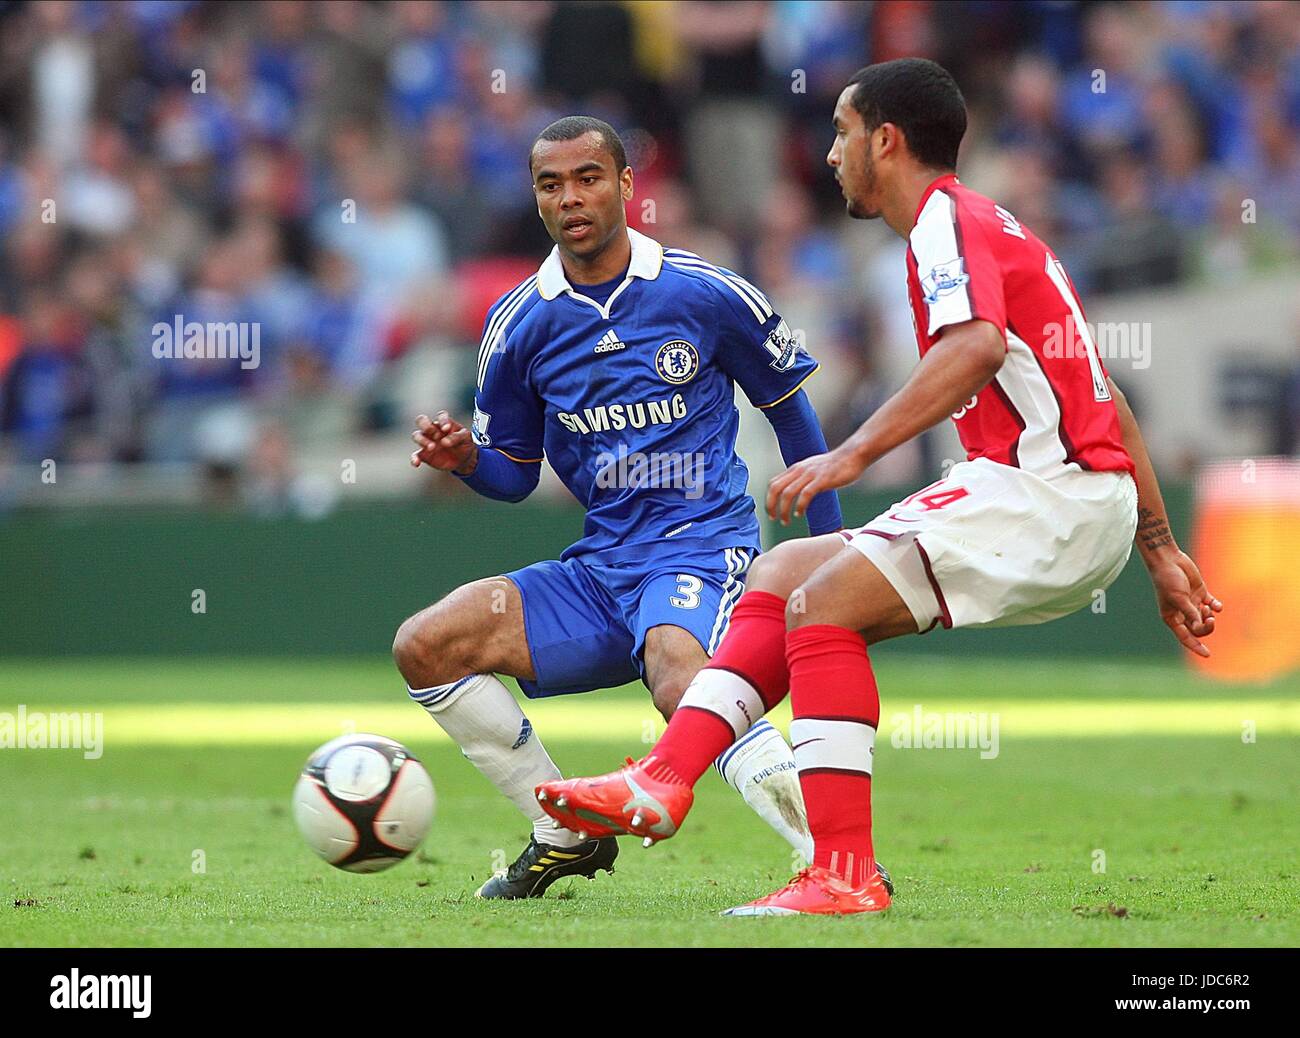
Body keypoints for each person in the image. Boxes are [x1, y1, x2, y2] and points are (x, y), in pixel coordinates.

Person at [535, 61, 1223, 917]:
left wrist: (850, 455)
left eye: (840, 132)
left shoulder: (945, 221)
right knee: (782, 578)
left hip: (1046, 495)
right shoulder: (990, 230)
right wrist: (1158, 549)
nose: (830, 155)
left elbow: (971, 347)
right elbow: (1104, 395)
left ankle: (841, 874)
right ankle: (665, 779)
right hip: (1067, 497)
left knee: (822, 607)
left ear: (884, 140)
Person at [393, 116, 895, 899]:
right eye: (550, 185)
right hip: (602, 566)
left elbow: (792, 414)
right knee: (425, 645)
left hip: (701, 541)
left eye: (588, 177)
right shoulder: (520, 324)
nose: (571, 198)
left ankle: (834, 859)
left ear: (627, 185)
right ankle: (564, 833)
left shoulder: (703, 291)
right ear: (536, 200)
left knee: (676, 670)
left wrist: (831, 560)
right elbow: (515, 476)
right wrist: (466, 462)